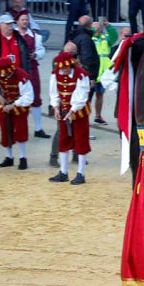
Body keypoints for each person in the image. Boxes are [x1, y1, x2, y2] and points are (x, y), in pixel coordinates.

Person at [0, 14, 31, 147]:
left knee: (19, 107)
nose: (10, 27)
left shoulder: (19, 38)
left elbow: (26, 57)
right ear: (0, 25)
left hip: (16, 78)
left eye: (11, 24)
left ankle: (16, 134)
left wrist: (27, 74)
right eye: (7, 24)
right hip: (0, 79)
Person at [47, 47, 91, 185]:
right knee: (63, 141)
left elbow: (82, 96)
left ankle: (80, 173)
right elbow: (54, 92)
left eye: (66, 67)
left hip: (79, 112)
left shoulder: (81, 75)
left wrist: (73, 110)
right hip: (64, 111)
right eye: (62, 68)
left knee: (81, 141)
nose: (64, 70)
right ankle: (63, 172)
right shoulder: (55, 75)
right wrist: (55, 107)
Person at [0, 56, 33, 170]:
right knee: (5, 130)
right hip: (5, 105)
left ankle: (23, 157)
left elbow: (28, 97)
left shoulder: (22, 77)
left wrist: (13, 105)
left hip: (19, 106)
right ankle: (9, 157)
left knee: (20, 131)